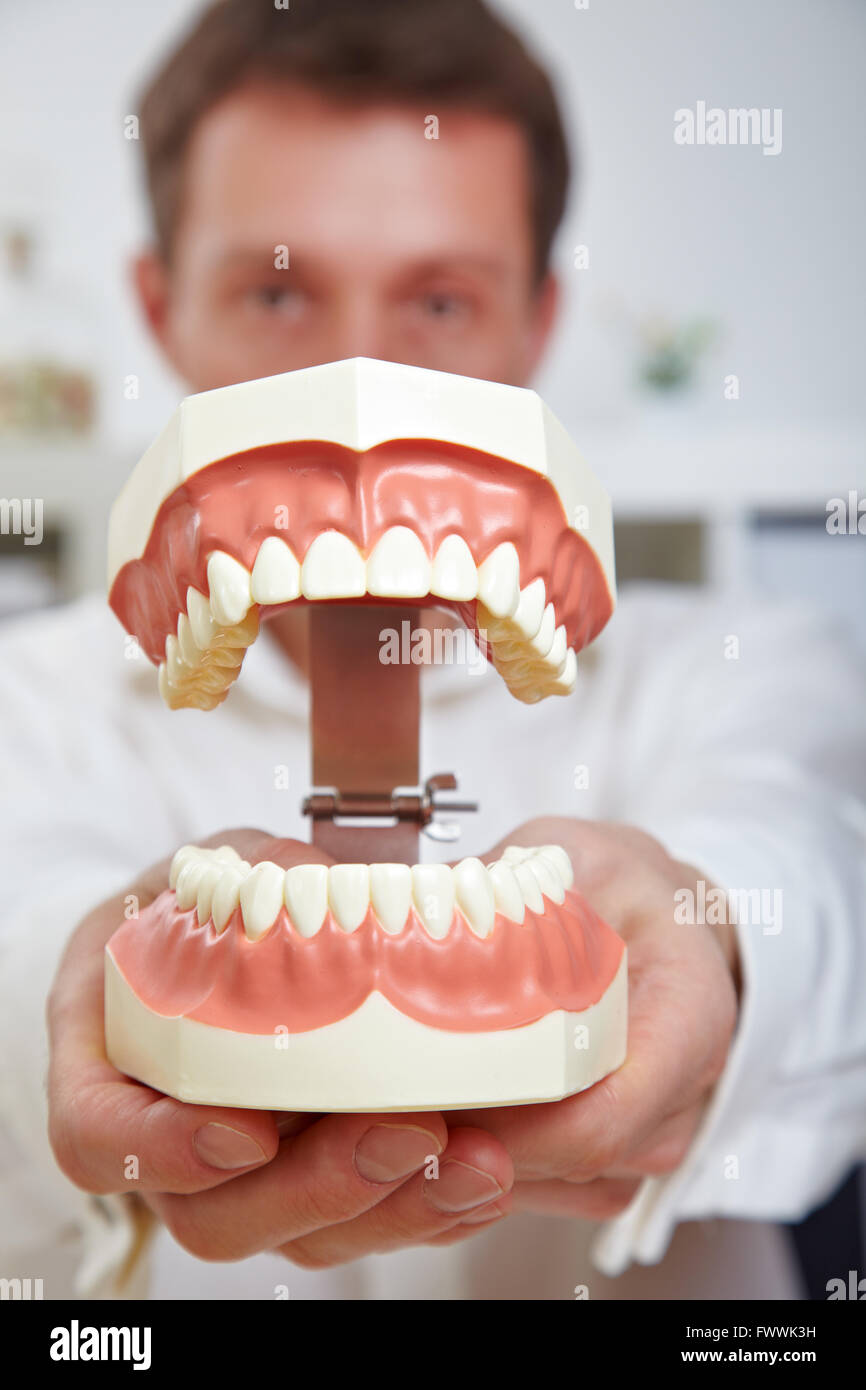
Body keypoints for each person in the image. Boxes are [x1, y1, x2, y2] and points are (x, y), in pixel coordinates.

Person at [2, 0, 865, 1301]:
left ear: (539, 322)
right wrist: (74, 990)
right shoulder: (27, 703)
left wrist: (720, 947)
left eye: (442, 301)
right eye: (278, 290)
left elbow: (809, 860)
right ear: (158, 304)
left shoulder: (743, 665)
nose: (365, 396)